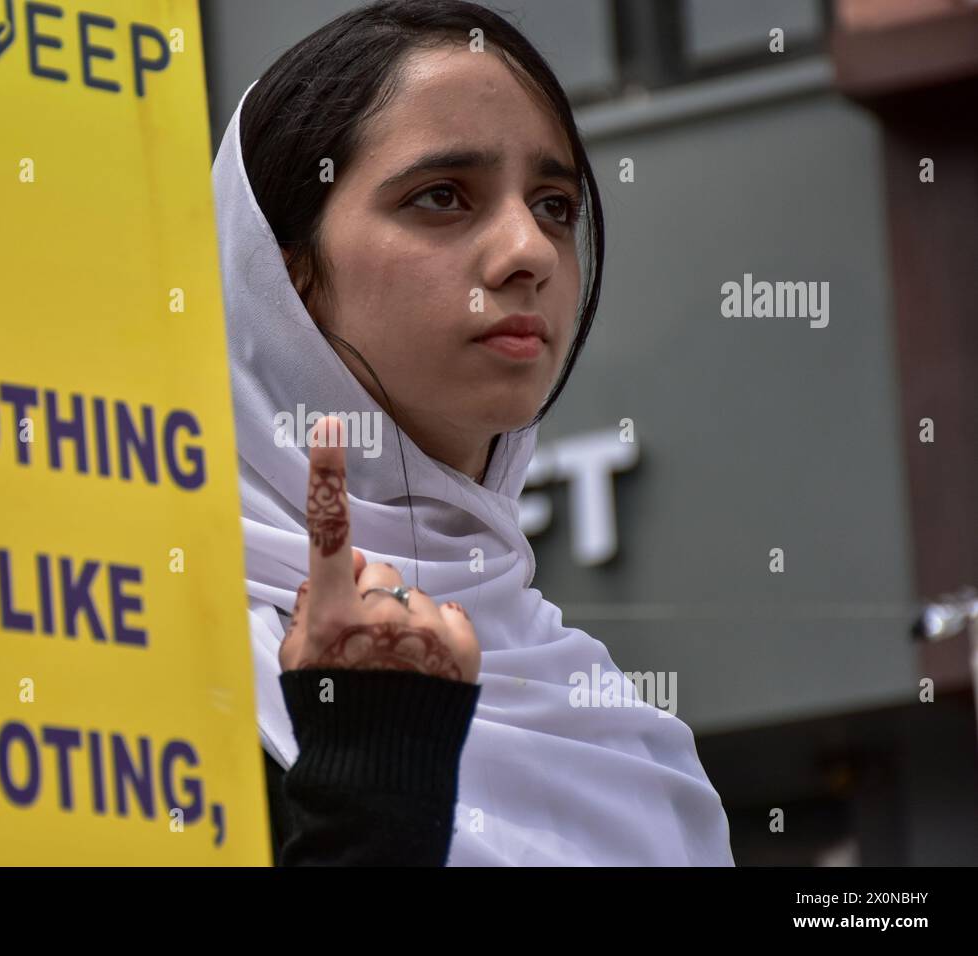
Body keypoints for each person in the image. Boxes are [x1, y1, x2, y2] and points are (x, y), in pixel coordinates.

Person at [213, 0, 735, 866]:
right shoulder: (150, 667)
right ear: (284, 266)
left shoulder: (631, 742)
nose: (528, 250)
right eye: (443, 197)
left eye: (556, 204)